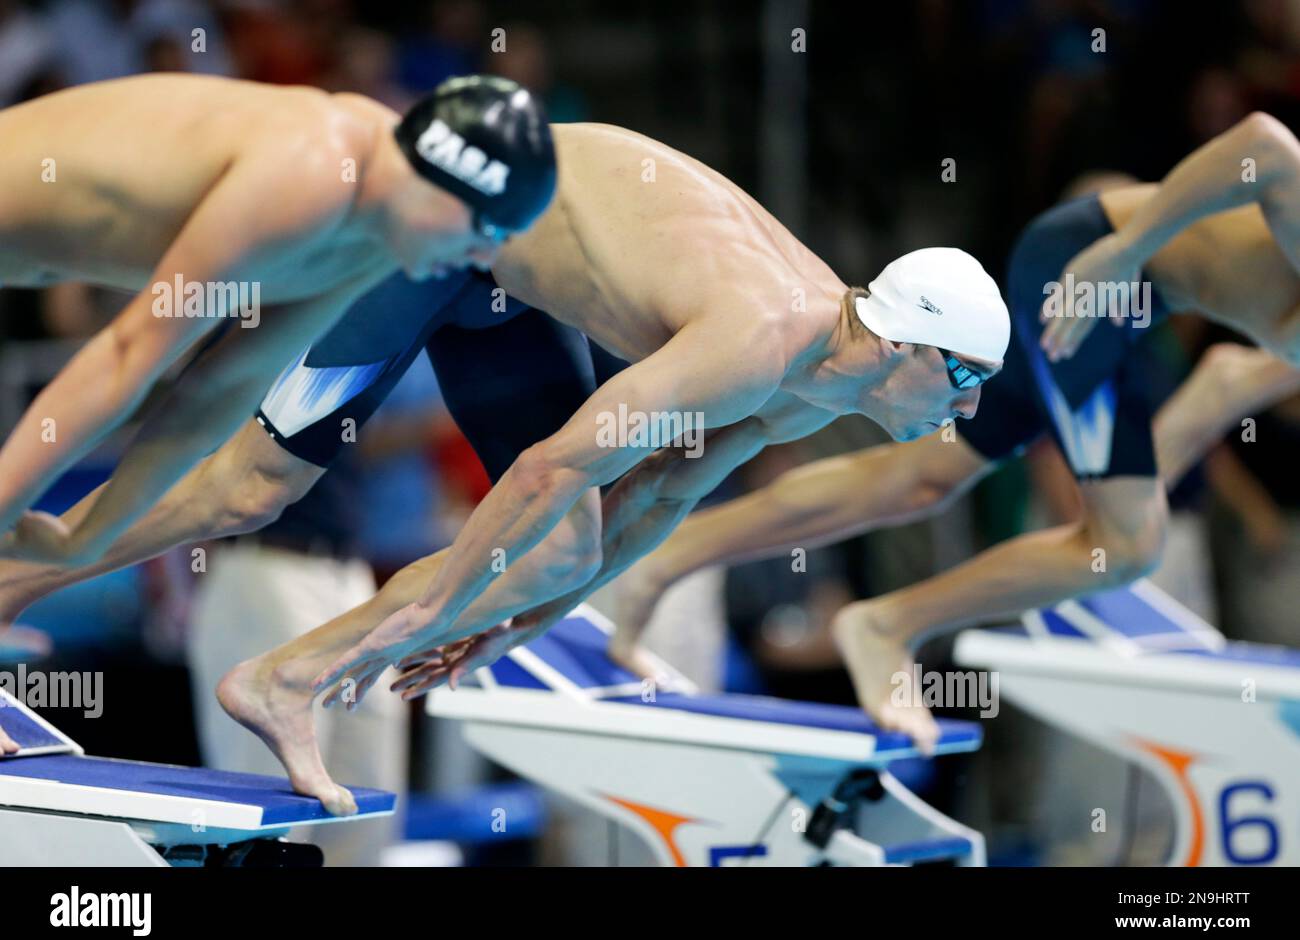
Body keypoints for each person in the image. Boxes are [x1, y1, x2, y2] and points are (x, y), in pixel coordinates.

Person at [0, 119, 1012, 809]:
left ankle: (286, 675)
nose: (968, 408)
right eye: (964, 378)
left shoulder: (820, 380)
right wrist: (427, 617)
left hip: (511, 286)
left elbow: (655, 501)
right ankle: (17, 579)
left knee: (567, 552)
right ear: (901, 343)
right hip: (438, 231)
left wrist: (514, 617)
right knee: (251, 485)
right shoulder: (762, 336)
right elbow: (542, 469)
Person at [609, 111, 1300, 751]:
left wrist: (1222, 383)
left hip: (1117, 303)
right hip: (1086, 273)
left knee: (921, 481)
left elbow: (1230, 374)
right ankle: (889, 625)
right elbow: (1265, 144)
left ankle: (667, 555)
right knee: (1127, 545)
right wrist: (1124, 250)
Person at [0, 72, 554, 567]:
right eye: (492, 229)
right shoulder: (315, 168)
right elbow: (129, 353)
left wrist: (89, 537)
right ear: (446, 179)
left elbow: (221, 389)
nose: (486, 258)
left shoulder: (371, 241)